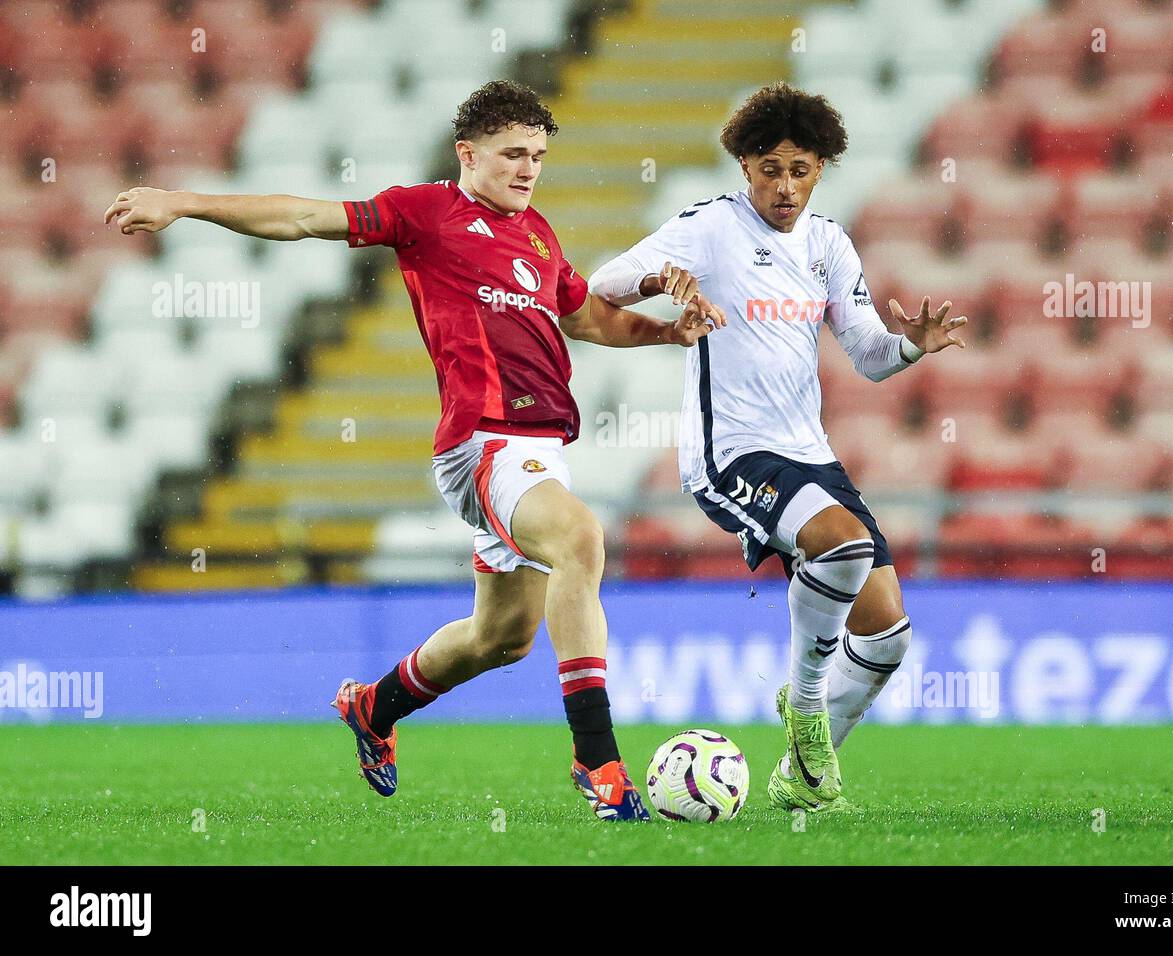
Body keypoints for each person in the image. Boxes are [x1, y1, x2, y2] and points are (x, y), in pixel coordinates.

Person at [105, 79, 724, 822]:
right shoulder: (427, 212)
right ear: (468, 153)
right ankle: (599, 760)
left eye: (538, 156)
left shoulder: (536, 234)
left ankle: (375, 705)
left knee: (502, 639)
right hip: (485, 443)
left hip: (537, 451)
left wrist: (665, 330)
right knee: (581, 537)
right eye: (512, 155)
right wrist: (184, 201)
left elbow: (586, 314)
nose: (528, 169)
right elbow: (304, 218)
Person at [589, 82, 967, 812]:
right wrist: (661, 280)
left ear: (822, 167)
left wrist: (910, 347)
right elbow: (603, 285)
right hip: (729, 451)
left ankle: (799, 768)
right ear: (744, 166)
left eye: (801, 168)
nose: (786, 186)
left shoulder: (829, 244)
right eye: (770, 169)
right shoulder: (708, 229)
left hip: (809, 454)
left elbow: (866, 354)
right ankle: (808, 712)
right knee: (844, 549)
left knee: (888, 639)